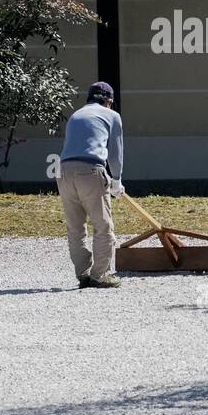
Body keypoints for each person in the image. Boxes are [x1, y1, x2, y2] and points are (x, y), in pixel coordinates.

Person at [57, 81, 125, 289]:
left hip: (64, 171)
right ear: (108, 101)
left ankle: (84, 274)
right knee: (103, 226)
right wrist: (117, 180)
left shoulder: (76, 116)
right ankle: (100, 275)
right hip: (90, 170)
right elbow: (115, 153)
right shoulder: (111, 116)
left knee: (75, 228)